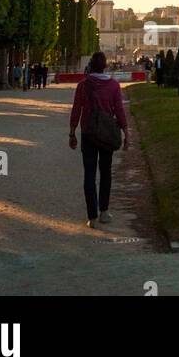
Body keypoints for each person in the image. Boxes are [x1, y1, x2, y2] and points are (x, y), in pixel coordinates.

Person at [69, 51, 129, 229]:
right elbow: (119, 110)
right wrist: (126, 132)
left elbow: (76, 111)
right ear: (105, 66)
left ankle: (92, 217)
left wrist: (72, 133)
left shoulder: (83, 85)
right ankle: (104, 211)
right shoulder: (113, 86)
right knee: (105, 173)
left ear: (90, 66)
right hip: (106, 133)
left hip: (88, 132)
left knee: (89, 174)